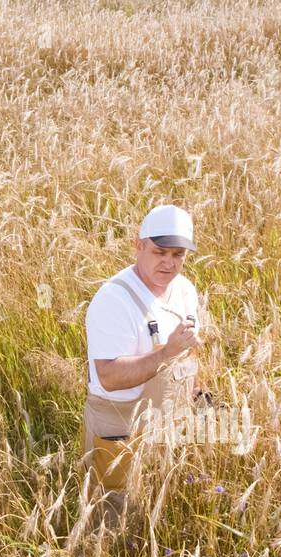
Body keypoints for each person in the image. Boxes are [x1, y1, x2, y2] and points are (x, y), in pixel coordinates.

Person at [82, 204, 202, 526]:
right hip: (119, 429)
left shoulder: (185, 291)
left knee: (159, 512)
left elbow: (189, 352)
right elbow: (108, 376)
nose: (169, 262)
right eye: (159, 251)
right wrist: (165, 353)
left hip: (167, 424)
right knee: (113, 520)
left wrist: (194, 398)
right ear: (139, 246)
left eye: (178, 254)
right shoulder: (114, 300)